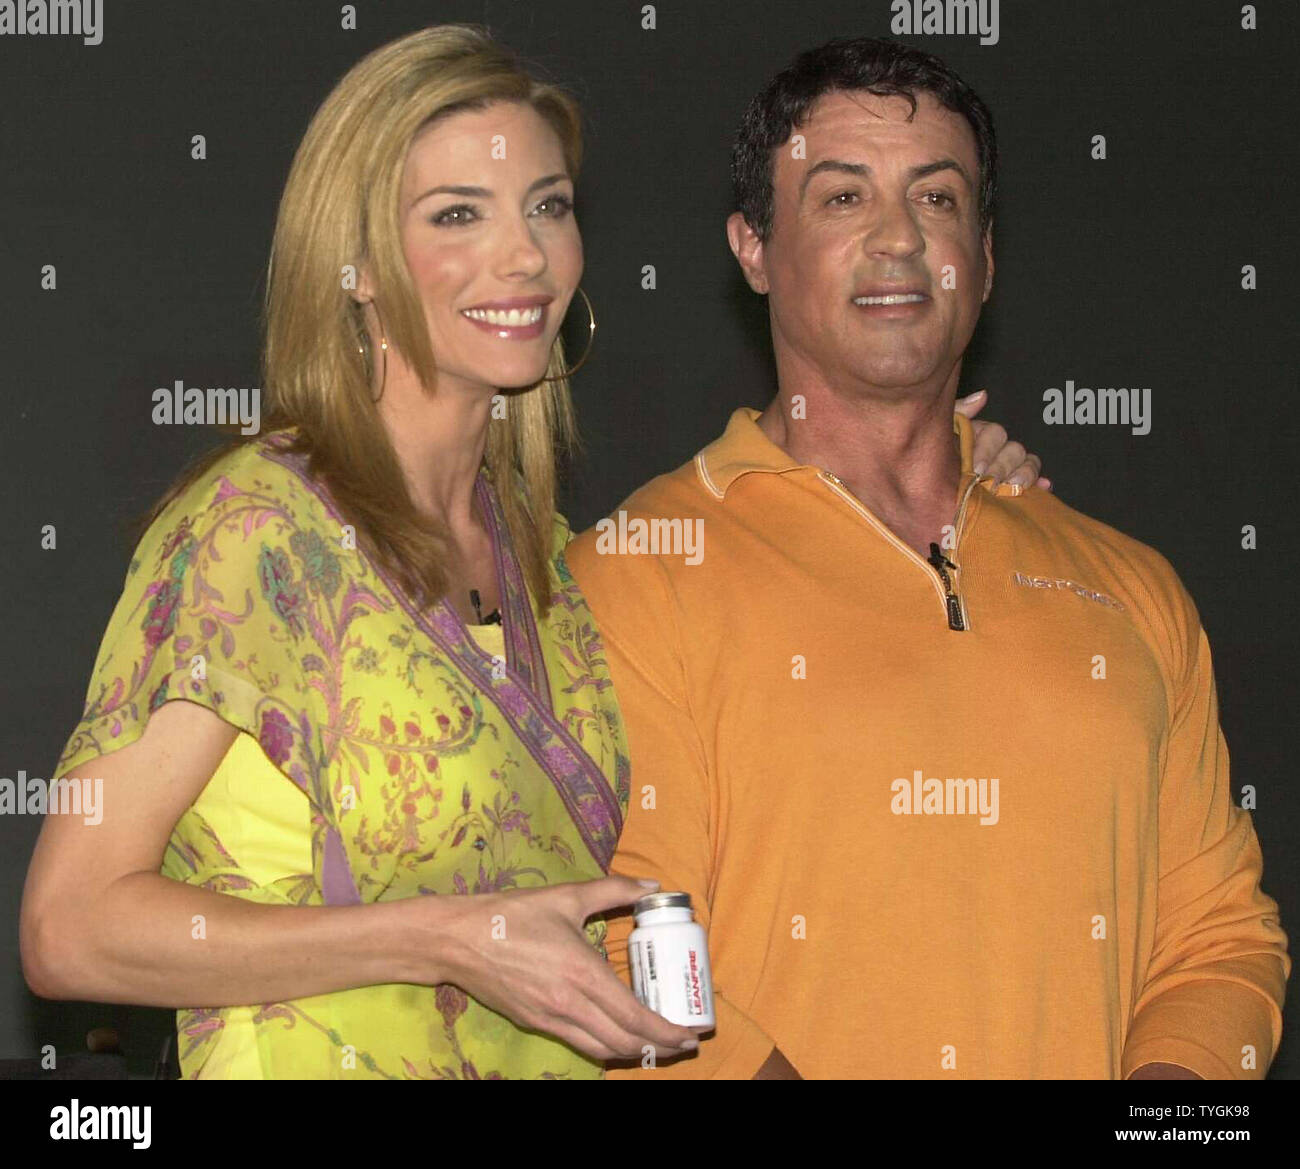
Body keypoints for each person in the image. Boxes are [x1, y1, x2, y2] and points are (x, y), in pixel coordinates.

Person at [19, 25, 1042, 1080]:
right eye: (457, 214)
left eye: (547, 207)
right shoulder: (258, 530)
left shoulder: (549, 566)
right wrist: (445, 936)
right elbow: (70, 926)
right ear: (355, 263)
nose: (524, 255)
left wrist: (959, 474)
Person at [565, 36, 1290, 1079]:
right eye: (842, 198)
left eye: (937, 198)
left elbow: (1224, 940)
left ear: (985, 258)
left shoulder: (1132, 587)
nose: (898, 240)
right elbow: (623, 938)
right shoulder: (635, 572)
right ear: (754, 248)